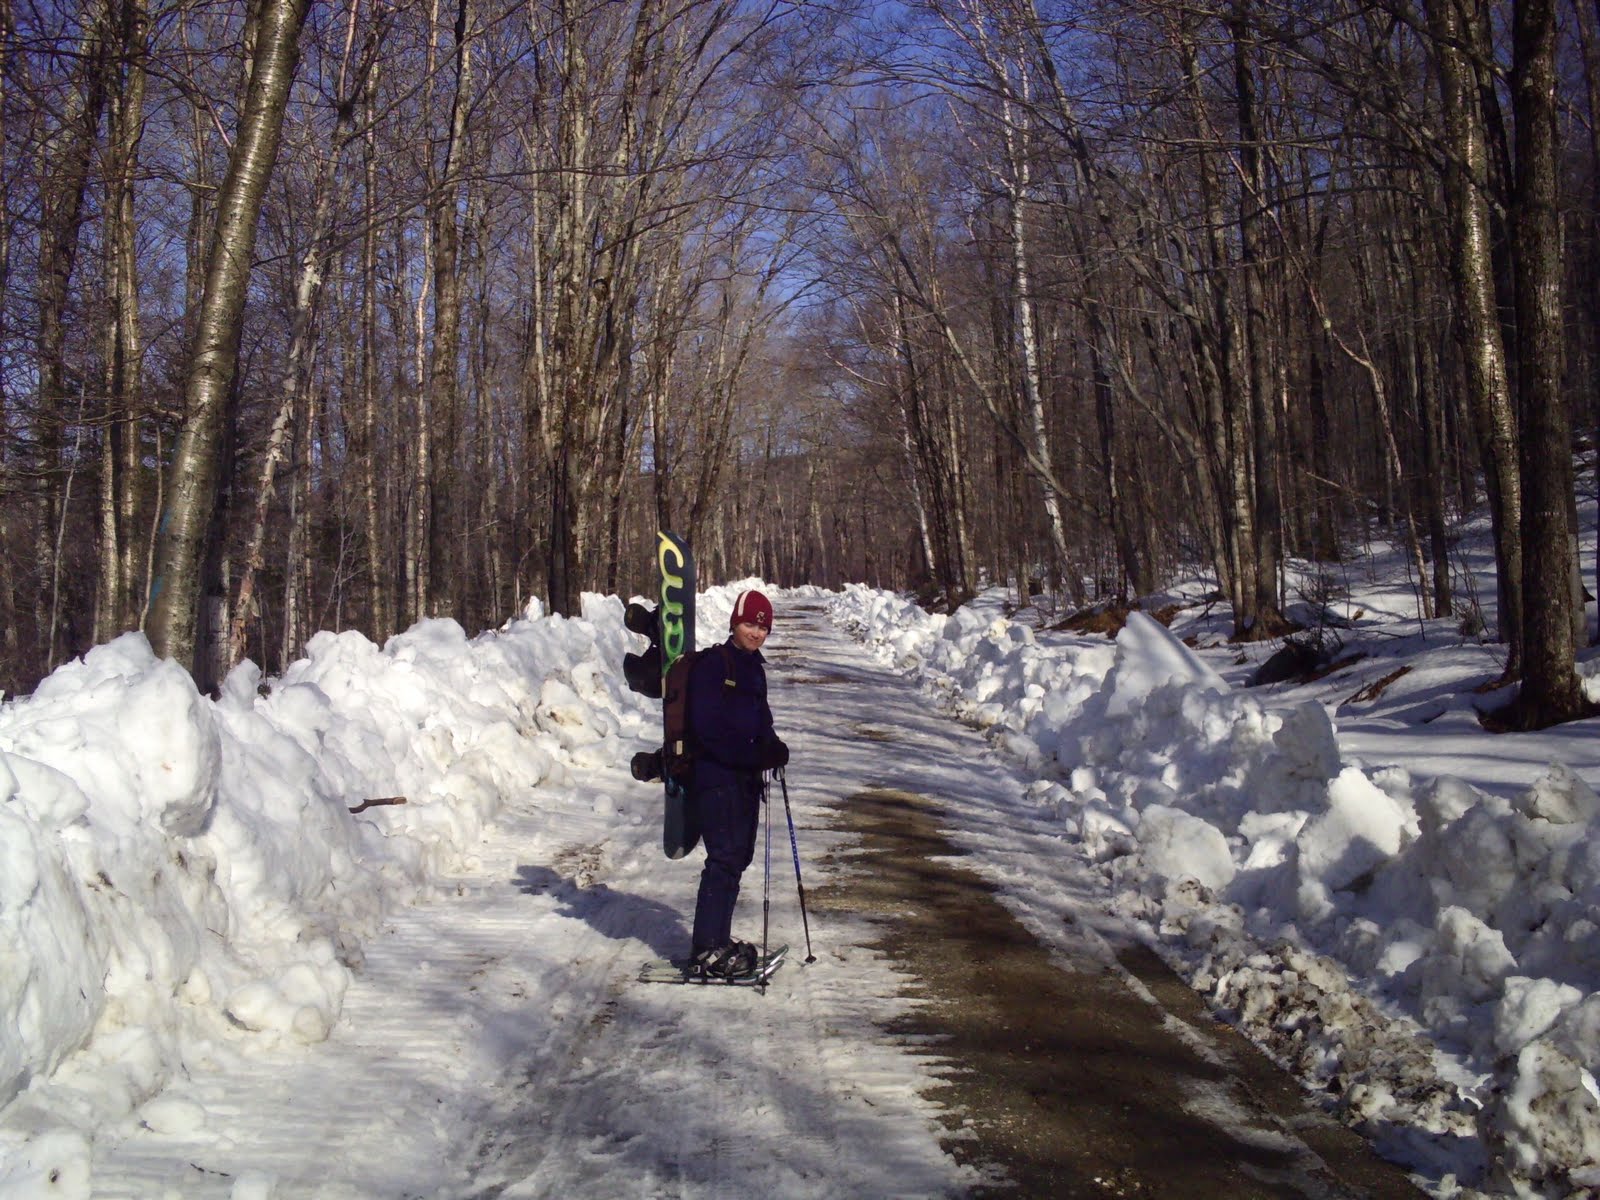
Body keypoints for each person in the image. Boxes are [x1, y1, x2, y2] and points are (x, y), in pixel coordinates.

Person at [685, 588, 789, 977]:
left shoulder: (754, 668)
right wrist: (753, 756)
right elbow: (707, 729)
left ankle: (718, 940)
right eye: (749, 624)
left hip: (744, 781)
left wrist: (773, 747)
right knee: (724, 858)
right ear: (734, 623)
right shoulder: (715, 665)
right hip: (716, 778)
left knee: (737, 858)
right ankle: (705, 949)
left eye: (762, 628)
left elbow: (761, 721)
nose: (756, 633)